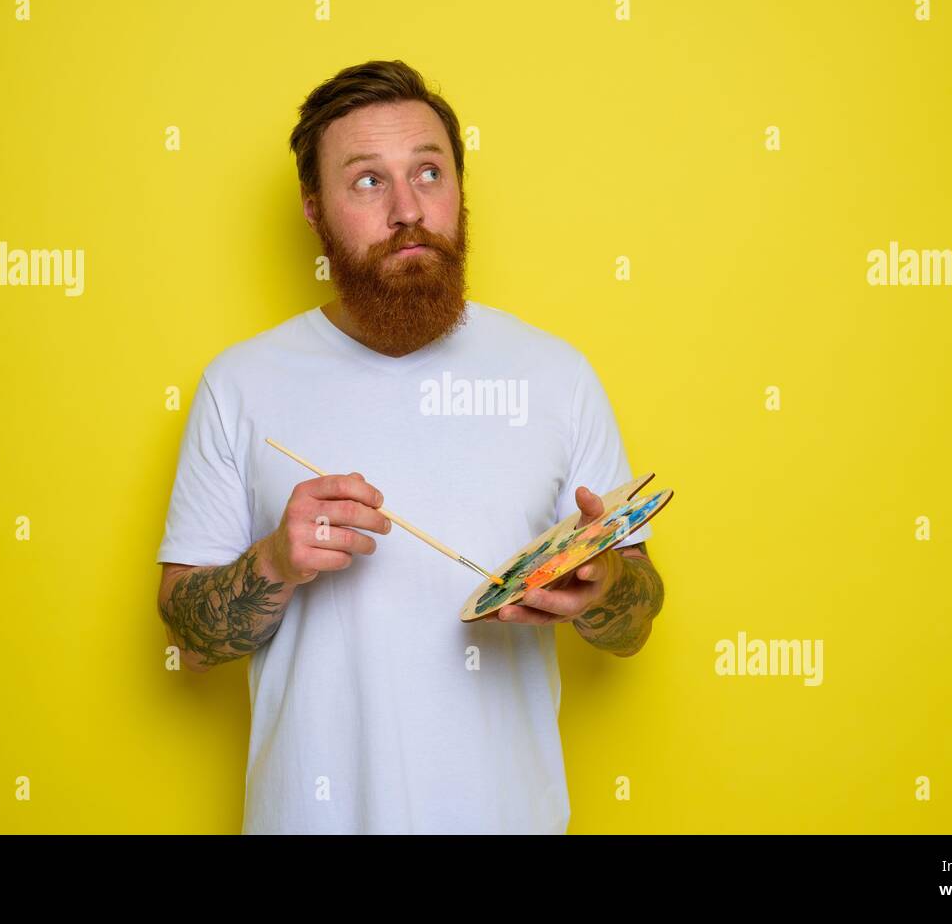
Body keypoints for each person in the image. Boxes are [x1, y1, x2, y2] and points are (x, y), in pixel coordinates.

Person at [155, 59, 666, 834]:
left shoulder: (557, 375)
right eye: (366, 181)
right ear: (313, 208)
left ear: (460, 188)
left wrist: (604, 592)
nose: (407, 209)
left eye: (429, 172)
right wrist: (274, 563)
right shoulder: (240, 383)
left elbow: (640, 621)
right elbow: (187, 635)